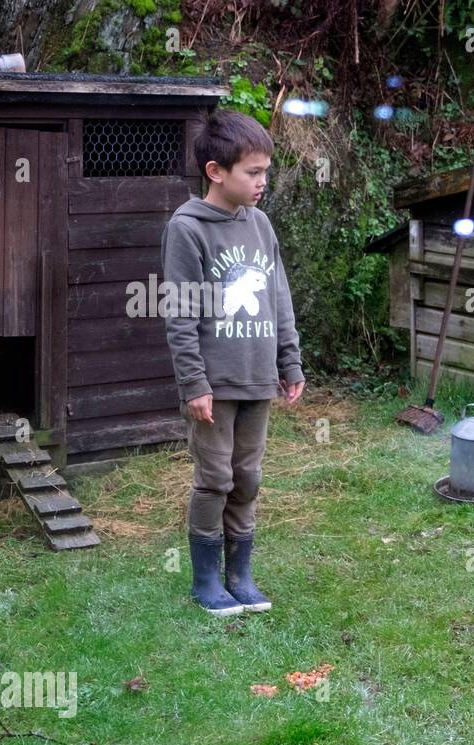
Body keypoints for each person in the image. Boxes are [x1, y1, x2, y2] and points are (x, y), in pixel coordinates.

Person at [161, 110, 305, 616]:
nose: (263, 182)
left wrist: (290, 361)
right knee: (214, 479)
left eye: (266, 171)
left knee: (248, 477)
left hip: (257, 378)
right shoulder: (187, 229)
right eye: (253, 172)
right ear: (216, 171)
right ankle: (206, 579)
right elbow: (179, 313)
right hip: (214, 385)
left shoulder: (260, 224)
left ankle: (240, 574)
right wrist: (194, 383)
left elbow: (278, 298)